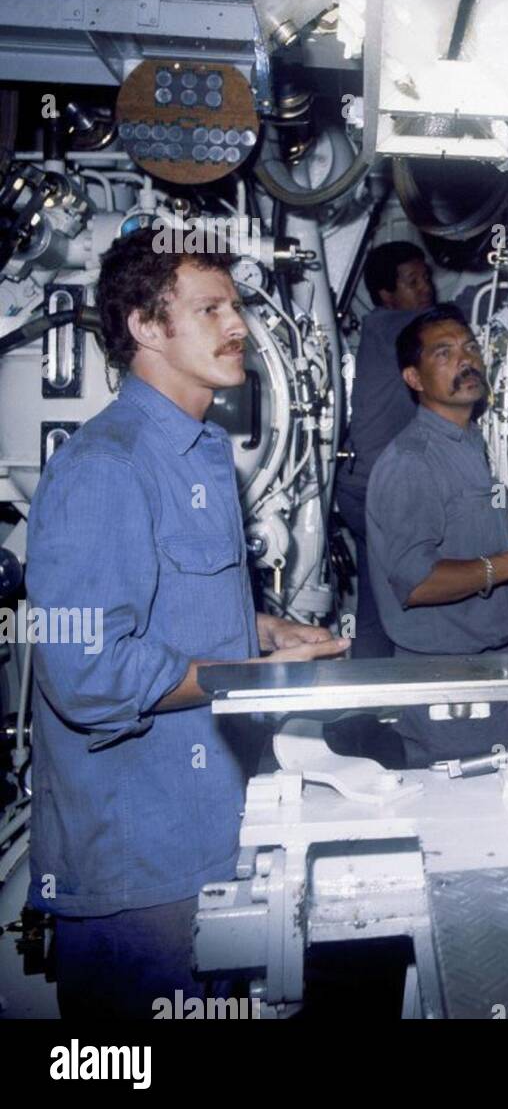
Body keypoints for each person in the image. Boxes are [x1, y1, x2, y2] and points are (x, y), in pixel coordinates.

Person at [24, 226, 347, 1019]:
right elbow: (87, 672)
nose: (237, 326)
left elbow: (172, 601)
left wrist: (262, 631)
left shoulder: (200, 451)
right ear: (145, 326)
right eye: (209, 309)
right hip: (141, 873)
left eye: (234, 306)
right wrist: (245, 675)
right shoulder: (106, 466)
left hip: (215, 835)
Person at [365, 308, 508, 766]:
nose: (466, 361)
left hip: (506, 659)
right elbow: (416, 583)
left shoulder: (489, 443)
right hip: (448, 673)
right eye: (445, 353)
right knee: (465, 812)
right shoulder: (410, 462)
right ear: (414, 378)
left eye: (470, 348)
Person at [335, 241, 435, 659]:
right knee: (406, 597)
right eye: (412, 282)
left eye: (426, 277)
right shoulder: (401, 328)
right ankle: (373, 701)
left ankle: (363, 704)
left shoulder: (382, 329)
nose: (426, 288)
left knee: (378, 600)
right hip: (378, 490)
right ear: (386, 297)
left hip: (363, 484)